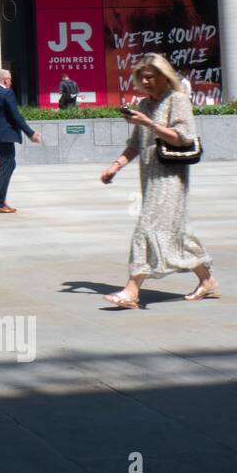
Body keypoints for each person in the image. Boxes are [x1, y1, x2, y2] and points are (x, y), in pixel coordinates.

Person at [100, 53, 218, 308]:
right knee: (178, 231)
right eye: (142, 77)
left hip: (171, 177)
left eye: (151, 77)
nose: (147, 81)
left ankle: (132, 290)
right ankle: (207, 280)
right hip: (150, 177)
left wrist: (149, 124)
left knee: (147, 226)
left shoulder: (178, 100)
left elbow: (183, 137)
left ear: (165, 77)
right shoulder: (143, 105)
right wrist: (115, 166)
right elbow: (135, 144)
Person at [0, 69, 41, 213]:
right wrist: (30, 133)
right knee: (7, 165)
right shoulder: (7, 93)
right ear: (5, 80)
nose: (11, 81)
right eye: (10, 79)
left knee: (7, 164)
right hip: (5, 135)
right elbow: (15, 115)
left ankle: (0, 201)